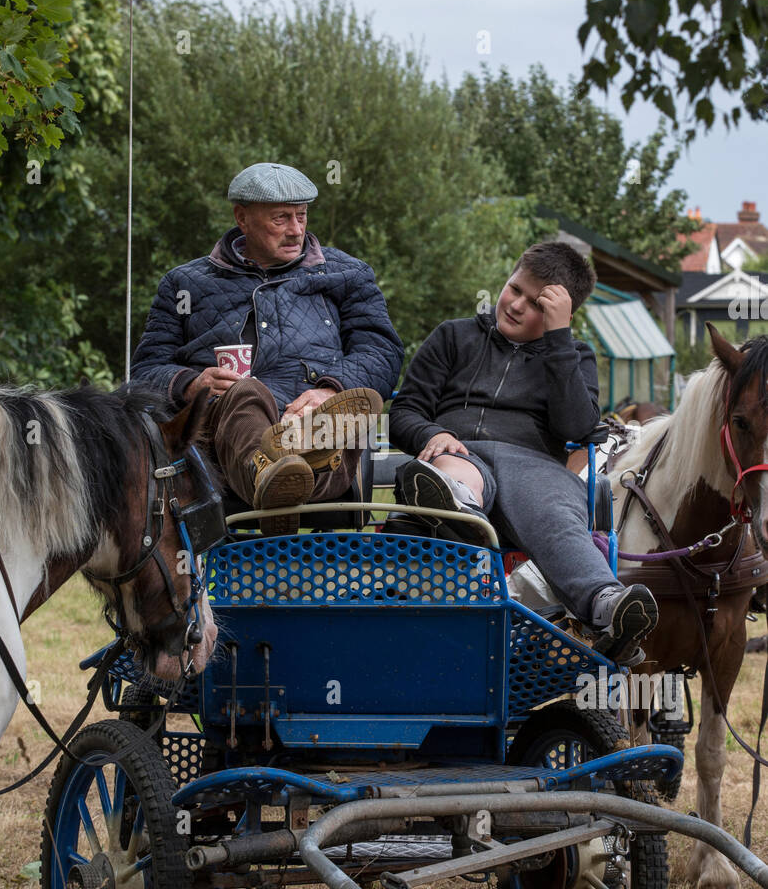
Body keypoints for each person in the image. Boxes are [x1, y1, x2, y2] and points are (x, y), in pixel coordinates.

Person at [388, 240, 658, 660]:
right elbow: (404, 410)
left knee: (553, 510)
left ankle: (606, 603)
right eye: (515, 289)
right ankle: (459, 512)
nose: (515, 305)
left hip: (531, 473)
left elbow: (576, 427)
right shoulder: (454, 337)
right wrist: (428, 435)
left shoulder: (573, 356)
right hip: (457, 455)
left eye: (535, 304)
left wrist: (559, 342)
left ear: (558, 316)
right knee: (458, 473)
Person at [131, 161, 403, 535]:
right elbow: (144, 372)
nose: (296, 230)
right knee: (245, 392)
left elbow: (382, 352)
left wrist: (329, 389)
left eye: (302, 216)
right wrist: (190, 384)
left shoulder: (348, 274)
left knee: (346, 413)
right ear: (242, 218)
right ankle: (273, 472)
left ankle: (278, 475)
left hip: (319, 424)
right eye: (281, 219)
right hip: (221, 436)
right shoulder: (185, 283)